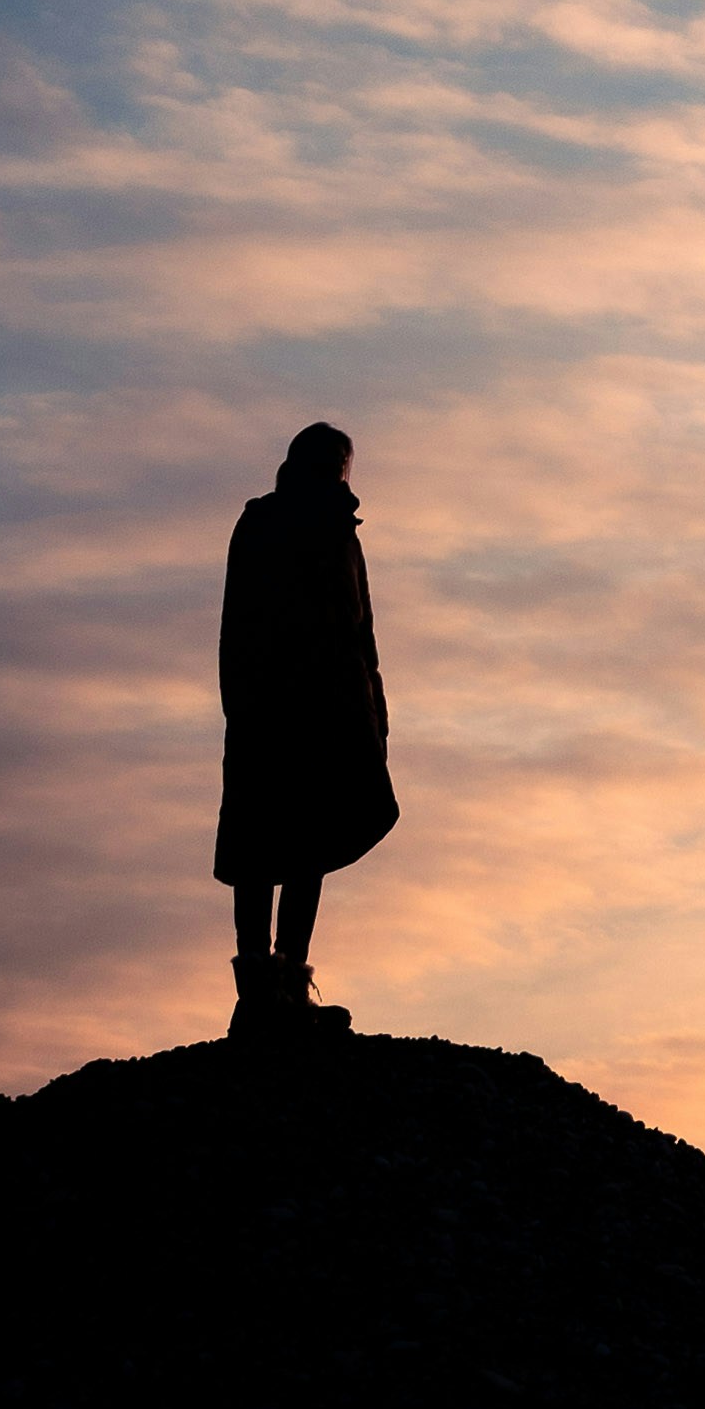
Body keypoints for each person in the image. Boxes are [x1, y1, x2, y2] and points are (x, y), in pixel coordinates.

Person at [214, 420, 397, 1037]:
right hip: (272, 714)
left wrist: (373, 704)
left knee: (310, 844)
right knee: (259, 849)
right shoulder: (264, 525)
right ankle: (258, 991)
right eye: (340, 464)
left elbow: (360, 630)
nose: (346, 478)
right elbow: (238, 627)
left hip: (332, 715)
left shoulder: (342, 534)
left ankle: (288, 982)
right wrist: (244, 705)